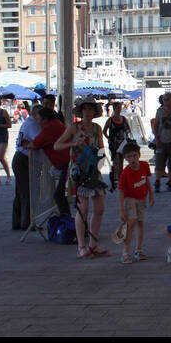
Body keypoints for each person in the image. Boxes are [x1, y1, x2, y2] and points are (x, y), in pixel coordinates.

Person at [55, 100, 108, 258]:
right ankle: (81, 246)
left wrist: (101, 157)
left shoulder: (97, 128)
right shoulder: (74, 127)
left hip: (93, 171)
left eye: (90, 109)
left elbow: (101, 146)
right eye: (85, 109)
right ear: (80, 112)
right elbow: (57, 145)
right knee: (82, 209)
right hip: (78, 172)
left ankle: (93, 244)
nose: (87, 112)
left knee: (99, 208)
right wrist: (72, 143)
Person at [31, 101, 70, 218]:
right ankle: (67, 218)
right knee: (60, 194)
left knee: (59, 194)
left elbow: (36, 143)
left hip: (65, 163)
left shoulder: (50, 127)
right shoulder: (56, 124)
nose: (37, 122)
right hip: (65, 162)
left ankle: (66, 220)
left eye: (38, 119)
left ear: (45, 119)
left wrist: (26, 144)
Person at [116, 141, 151, 263]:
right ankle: (125, 252)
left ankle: (138, 250)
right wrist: (121, 210)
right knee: (131, 223)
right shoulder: (125, 173)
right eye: (129, 157)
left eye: (134, 156)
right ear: (125, 158)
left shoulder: (145, 166)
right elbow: (120, 191)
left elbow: (146, 180)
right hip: (130, 198)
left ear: (139, 155)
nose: (132, 159)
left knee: (141, 223)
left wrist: (151, 194)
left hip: (142, 198)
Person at [12, 103, 42, 230]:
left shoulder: (30, 123)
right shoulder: (32, 124)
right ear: (35, 114)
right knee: (27, 192)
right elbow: (38, 140)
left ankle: (18, 221)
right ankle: (27, 222)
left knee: (21, 192)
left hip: (21, 158)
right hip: (23, 159)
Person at [103, 102, 132, 191]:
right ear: (114, 109)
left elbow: (128, 130)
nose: (119, 110)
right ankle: (115, 178)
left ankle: (120, 178)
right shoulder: (110, 120)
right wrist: (109, 138)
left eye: (120, 108)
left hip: (122, 143)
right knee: (115, 161)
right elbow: (104, 131)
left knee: (121, 161)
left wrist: (126, 137)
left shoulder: (123, 119)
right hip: (113, 144)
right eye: (117, 108)